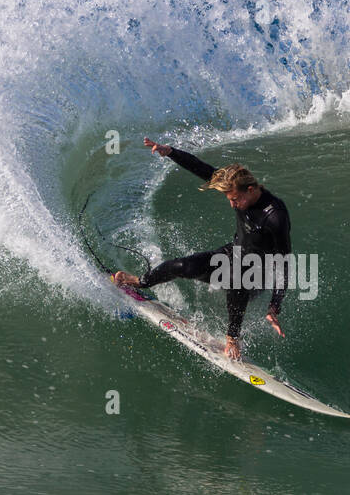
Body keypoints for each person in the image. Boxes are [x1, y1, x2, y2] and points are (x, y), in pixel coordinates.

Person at [112, 138, 290, 360]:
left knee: (238, 278)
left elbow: (284, 261)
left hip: (258, 273)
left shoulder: (275, 216)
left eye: (235, 199)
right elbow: (203, 169)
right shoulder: (239, 190)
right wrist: (171, 152)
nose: (232, 205)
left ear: (251, 190)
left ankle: (233, 337)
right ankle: (141, 281)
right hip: (233, 254)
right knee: (183, 265)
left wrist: (275, 305)